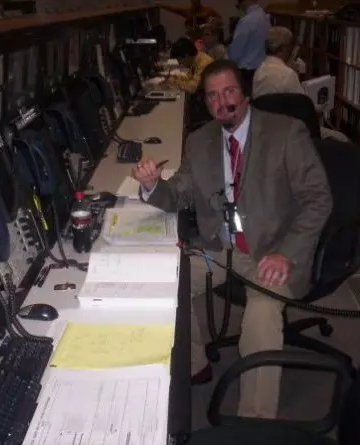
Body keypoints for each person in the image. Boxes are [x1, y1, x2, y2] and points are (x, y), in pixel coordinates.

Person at [132, 59, 332, 419]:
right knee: (167, 280)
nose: (222, 102)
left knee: (260, 314)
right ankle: (194, 363)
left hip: (271, 249)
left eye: (229, 91)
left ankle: (255, 421)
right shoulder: (200, 140)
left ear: (246, 93)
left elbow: (319, 199)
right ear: (206, 104)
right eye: (212, 97)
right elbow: (181, 192)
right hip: (219, 247)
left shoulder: (286, 132)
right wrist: (152, 186)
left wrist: (287, 253)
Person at [253, 26, 349, 142]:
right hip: (288, 132)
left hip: (265, 129)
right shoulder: (287, 75)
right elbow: (306, 111)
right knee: (342, 138)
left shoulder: (259, 71)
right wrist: (321, 108)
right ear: (285, 49)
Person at [228, 0, 270, 89]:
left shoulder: (246, 21)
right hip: (262, 70)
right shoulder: (265, 17)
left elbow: (234, 54)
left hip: (247, 72)